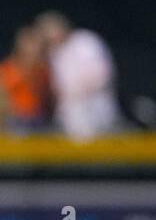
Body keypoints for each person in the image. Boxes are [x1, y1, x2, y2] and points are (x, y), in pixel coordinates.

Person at [35, 10, 118, 140]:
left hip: (95, 108)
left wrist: (74, 91)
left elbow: (101, 75)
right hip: (70, 115)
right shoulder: (53, 53)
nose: (49, 36)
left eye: (50, 30)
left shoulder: (84, 41)